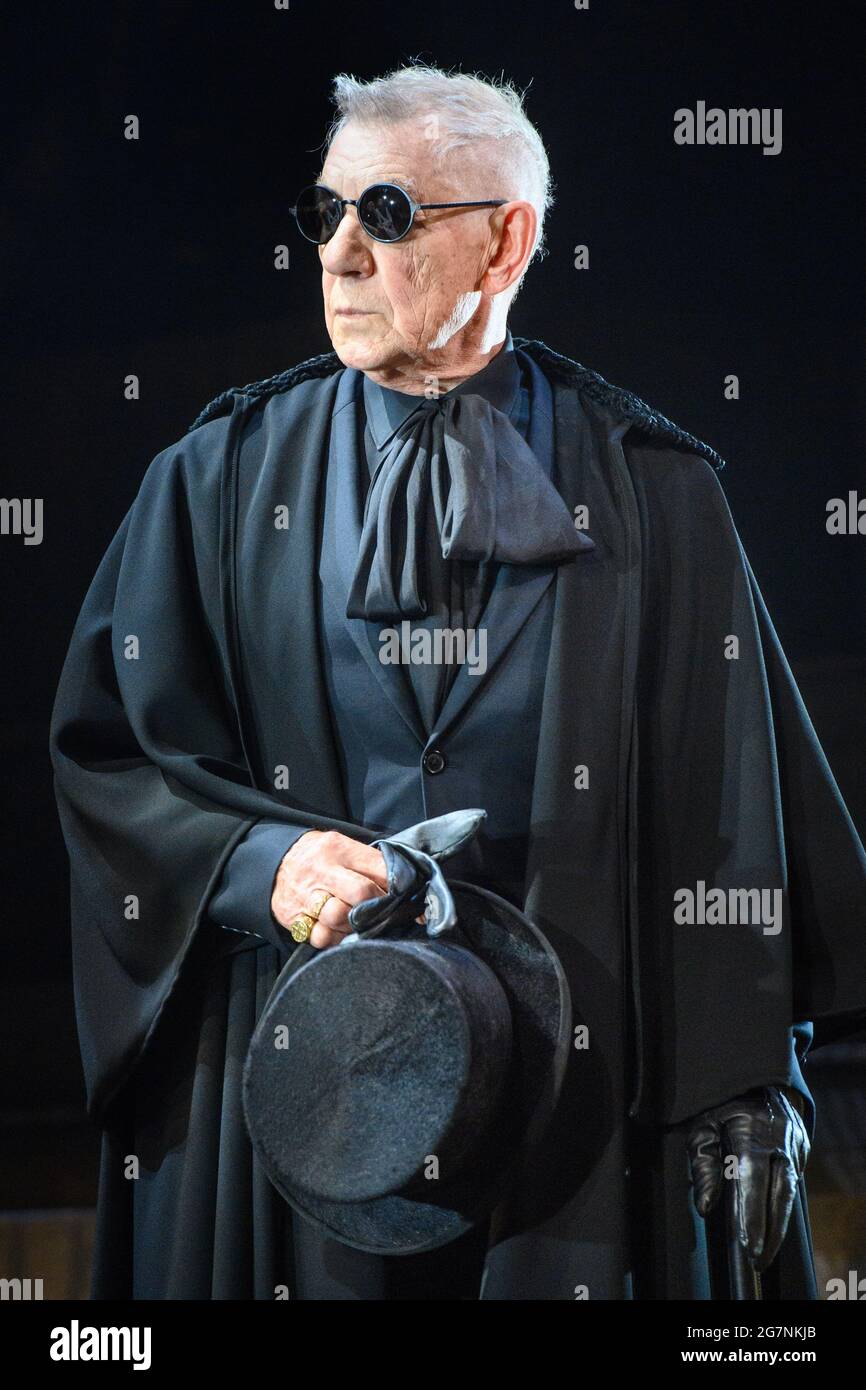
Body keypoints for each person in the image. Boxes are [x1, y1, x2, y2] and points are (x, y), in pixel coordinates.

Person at [50, 63, 866, 1300]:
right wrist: (260, 864)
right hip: (307, 1085)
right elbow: (108, 757)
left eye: (384, 215)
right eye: (320, 217)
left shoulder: (656, 493)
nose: (337, 255)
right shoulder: (211, 483)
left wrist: (744, 1087)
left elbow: (731, 825)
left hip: (581, 1118)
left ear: (505, 242)